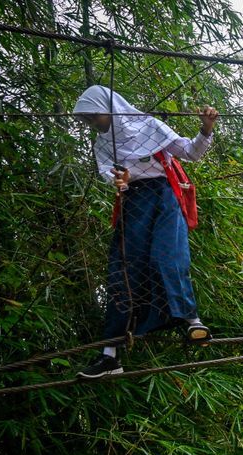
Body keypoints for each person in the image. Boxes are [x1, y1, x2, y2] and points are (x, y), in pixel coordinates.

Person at [73, 85, 219, 378]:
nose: (93, 124)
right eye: (87, 120)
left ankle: (193, 320)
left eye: (94, 116)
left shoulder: (148, 126)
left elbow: (190, 153)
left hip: (165, 195)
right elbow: (113, 177)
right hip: (134, 200)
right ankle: (110, 355)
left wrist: (206, 129)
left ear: (110, 108)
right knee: (124, 268)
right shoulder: (102, 144)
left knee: (167, 256)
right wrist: (121, 181)